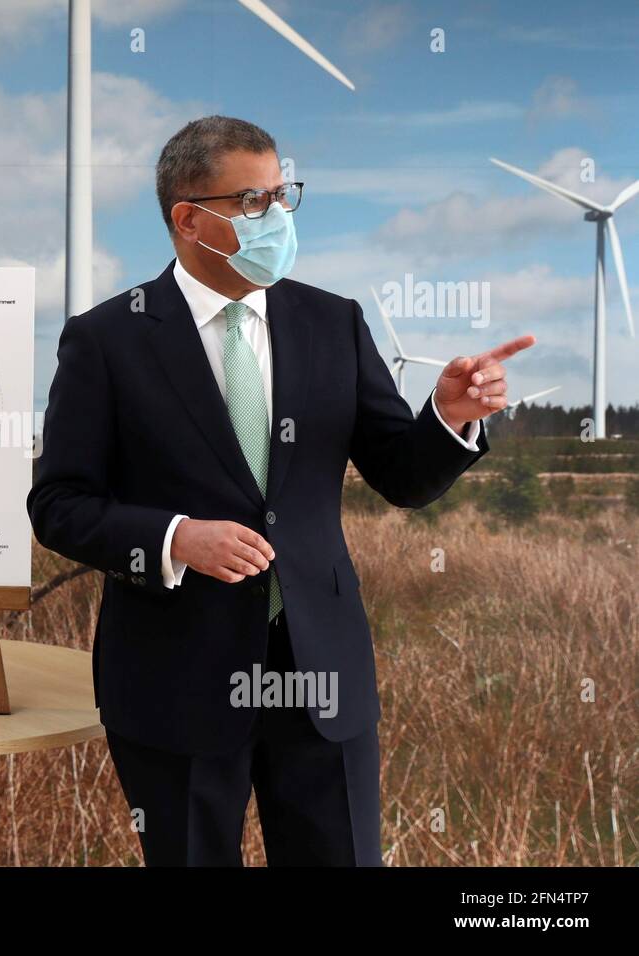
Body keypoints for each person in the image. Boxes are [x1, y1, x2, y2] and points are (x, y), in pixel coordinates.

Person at [27, 116, 535, 866]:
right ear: (189, 219)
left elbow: (400, 474)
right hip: (174, 681)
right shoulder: (106, 340)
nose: (279, 218)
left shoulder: (334, 322)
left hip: (322, 676)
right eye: (255, 201)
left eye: (284, 196)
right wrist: (173, 539)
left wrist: (449, 419)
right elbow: (59, 505)